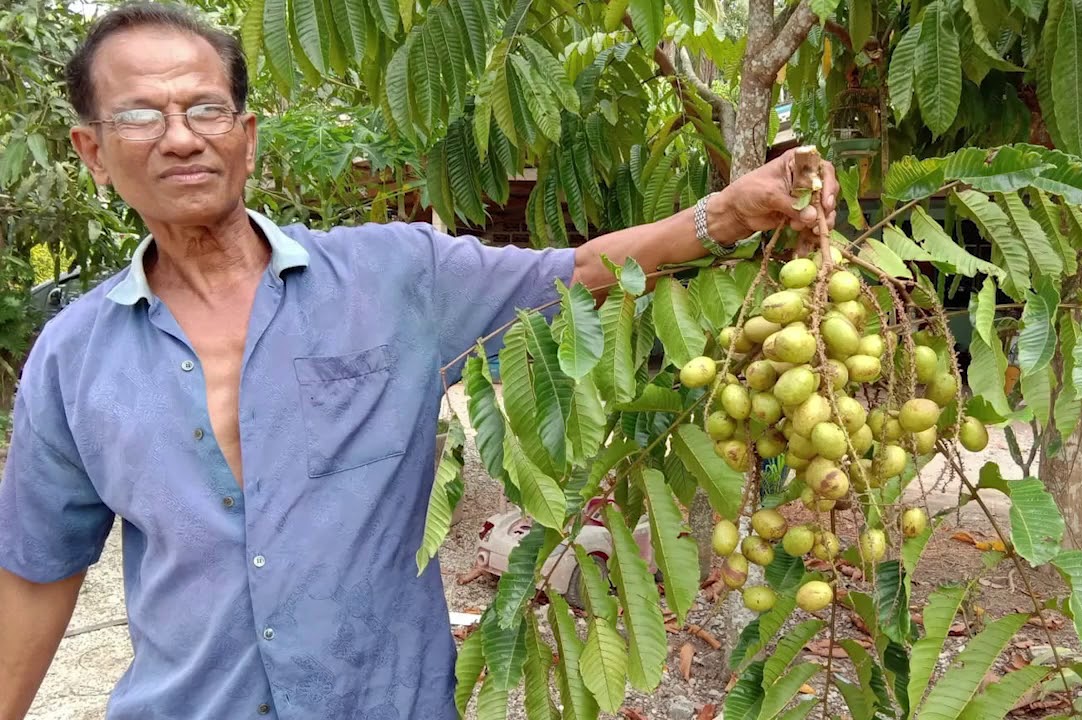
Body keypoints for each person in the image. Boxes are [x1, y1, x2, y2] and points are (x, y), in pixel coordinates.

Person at [0, 3, 838, 718]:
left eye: (205, 109)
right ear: (92, 152)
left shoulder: (397, 276)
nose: (181, 138)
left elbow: (580, 274)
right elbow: (38, 572)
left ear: (247, 137)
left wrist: (728, 212)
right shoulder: (73, 359)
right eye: (142, 115)